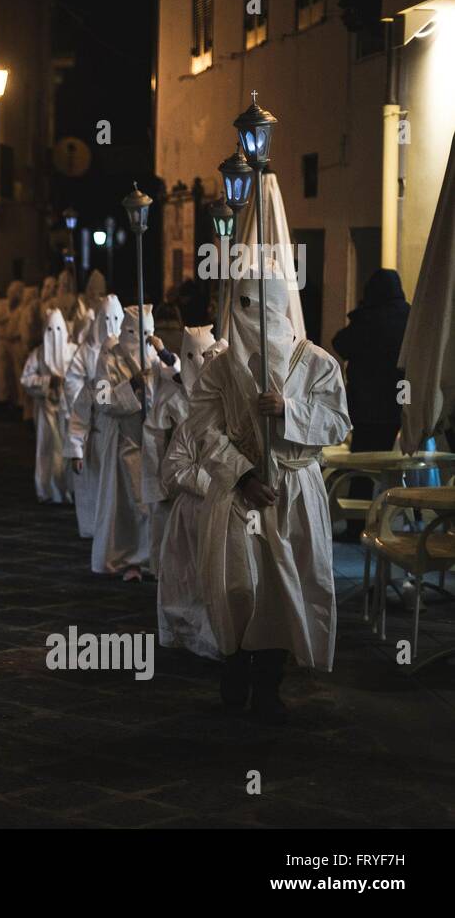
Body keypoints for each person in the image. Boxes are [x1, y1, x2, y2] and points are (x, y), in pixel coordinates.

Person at [189, 270, 350, 723]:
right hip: (241, 495)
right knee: (239, 584)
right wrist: (240, 476)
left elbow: (337, 422)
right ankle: (235, 667)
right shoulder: (218, 369)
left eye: (254, 306)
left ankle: (269, 684)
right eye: (240, 306)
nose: (247, 318)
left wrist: (289, 410)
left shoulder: (318, 364)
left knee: (285, 586)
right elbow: (202, 427)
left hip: (293, 491)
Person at [86, 304, 178, 581]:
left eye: (148, 333)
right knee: (128, 502)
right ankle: (127, 557)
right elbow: (103, 400)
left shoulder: (154, 355)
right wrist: (133, 386)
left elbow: (180, 376)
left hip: (153, 441)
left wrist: (162, 353)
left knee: (152, 502)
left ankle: (152, 558)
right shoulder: (109, 356)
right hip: (124, 439)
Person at [156, 331, 227, 660]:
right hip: (193, 513)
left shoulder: (246, 423)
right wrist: (213, 484)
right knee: (191, 577)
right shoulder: (190, 423)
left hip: (231, 514)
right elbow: (173, 467)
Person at [64, 294, 123, 538]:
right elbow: (75, 386)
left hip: (120, 433)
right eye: (105, 318)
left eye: (115, 319)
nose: (110, 324)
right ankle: (96, 531)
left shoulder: (126, 352)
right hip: (95, 430)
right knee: (95, 484)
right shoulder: (86, 352)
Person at [332, 268, 409, 453]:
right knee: (400, 464)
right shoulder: (411, 316)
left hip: (366, 407)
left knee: (363, 468)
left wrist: (362, 309)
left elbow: (340, 344)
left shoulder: (367, 318)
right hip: (402, 400)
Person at [22, 306, 75, 504]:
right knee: (47, 449)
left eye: (59, 330)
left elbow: (81, 378)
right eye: (51, 331)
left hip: (68, 409)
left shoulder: (72, 352)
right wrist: (46, 382)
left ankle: (68, 489)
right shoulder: (38, 354)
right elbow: (26, 379)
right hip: (46, 409)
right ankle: (47, 489)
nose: (55, 336)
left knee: (69, 451)